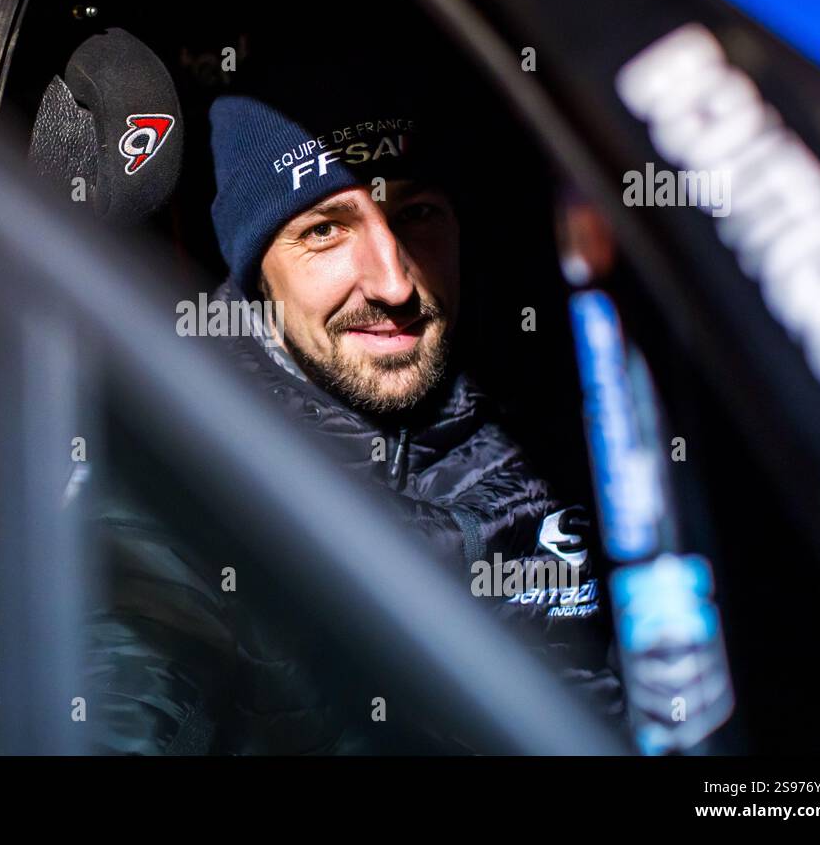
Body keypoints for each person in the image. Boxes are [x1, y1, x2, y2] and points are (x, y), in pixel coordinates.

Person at [81, 58, 623, 754]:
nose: (394, 282)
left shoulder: (576, 405)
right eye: (326, 231)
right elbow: (129, 685)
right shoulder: (182, 479)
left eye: (417, 215)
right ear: (257, 275)